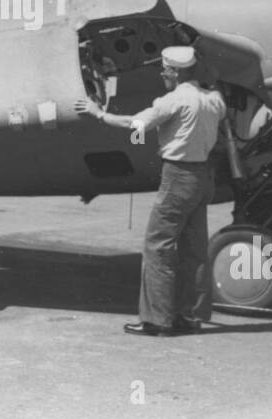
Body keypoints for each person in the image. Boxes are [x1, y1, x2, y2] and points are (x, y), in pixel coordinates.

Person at [75, 46, 228, 336]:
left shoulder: (173, 101)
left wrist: (99, 114)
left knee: (158, 247)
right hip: (203, 177)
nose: (162, 74)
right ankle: (190, 316)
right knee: (194, 249)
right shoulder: (214, 100)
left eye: (165, 70)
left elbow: (134, 124)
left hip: (178, 176)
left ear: (175, 72)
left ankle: (157, 320)